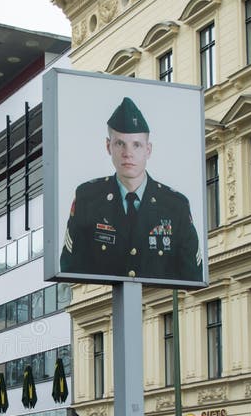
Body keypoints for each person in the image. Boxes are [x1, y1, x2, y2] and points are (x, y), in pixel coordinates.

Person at [60, 96, 203, 283]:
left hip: (157, 299)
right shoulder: (87, 199)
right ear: (108, 146)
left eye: (136, 145)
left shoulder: (175, 205)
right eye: (120, 143)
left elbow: (192, 275)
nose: (128, 153)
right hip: (105, 299)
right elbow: (70, 267)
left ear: (148, 150)